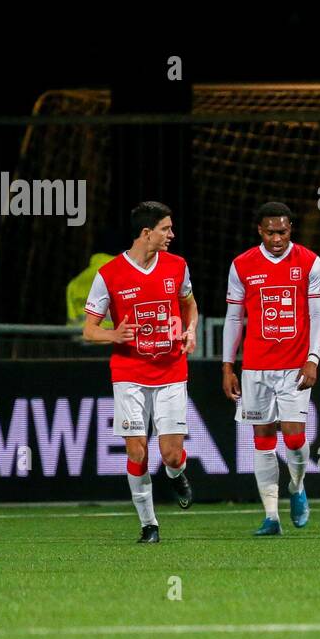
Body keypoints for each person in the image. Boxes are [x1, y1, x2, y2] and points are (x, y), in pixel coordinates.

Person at [84, 201, 197, 544]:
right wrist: (113, 335)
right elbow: (89, 330)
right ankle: (149, 525)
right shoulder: (109, 274)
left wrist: (191, 329)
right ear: (147, 233)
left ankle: (177, 473)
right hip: (129, 373)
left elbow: (189, 304)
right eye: (166, 229)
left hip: (171, 370)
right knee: (137, 452)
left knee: (170, 454)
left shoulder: (177, 266)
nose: (171, 235)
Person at [223, 202, 320, 535]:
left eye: (282, 231)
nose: (277, 238)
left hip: (294, 366)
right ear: (260, 231)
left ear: (290, 229)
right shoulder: (242, 265)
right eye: (270, 232)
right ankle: (271, 517)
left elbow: (318, 315)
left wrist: (313, 358)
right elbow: (234, 318)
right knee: (263, 438)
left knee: (295, 438)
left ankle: (297, 485)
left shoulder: (309, 262)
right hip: (255, 367)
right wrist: (228, 366)